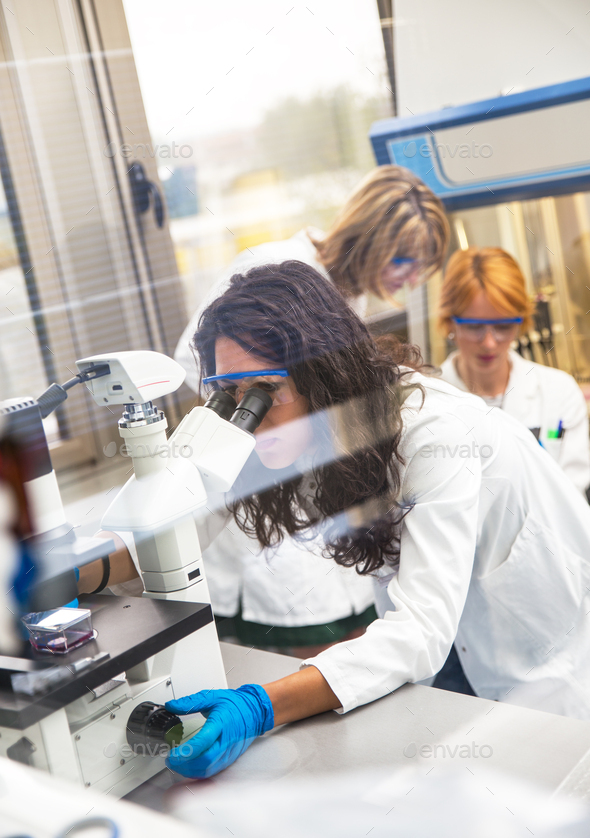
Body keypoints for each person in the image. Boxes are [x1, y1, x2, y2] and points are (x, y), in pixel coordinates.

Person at [85, 260, 590, 778]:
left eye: (265, 390)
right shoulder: (296, 426)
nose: (249, 415)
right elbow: (177, 526)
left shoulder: (433, 432)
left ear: (321, 376)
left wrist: (261, 706)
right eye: (231, 394)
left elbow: (422, 629)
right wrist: (74, 571)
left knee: (543, 780)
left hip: (539, 635)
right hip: (448, 639)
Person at [171, 165, 450, 653]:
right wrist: (264, 402)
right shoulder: (277, 267)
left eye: (420, 266)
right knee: (296, 632)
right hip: (264, 472)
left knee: (348, 626)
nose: (409, 278)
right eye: (405, 259)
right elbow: (192, 361)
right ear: (370, 238)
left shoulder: (352, 295)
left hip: (316, 482)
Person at [438, 247, 590, 495]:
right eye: (474, 326)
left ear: (521, 321)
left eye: (503, 326)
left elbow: (570, 497)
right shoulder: (426, 400)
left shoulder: (559, 392)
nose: (489, 343)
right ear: (450, 322)